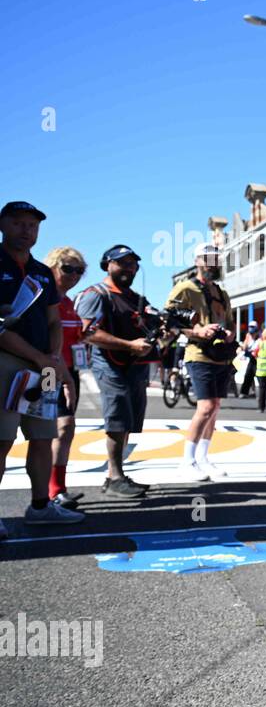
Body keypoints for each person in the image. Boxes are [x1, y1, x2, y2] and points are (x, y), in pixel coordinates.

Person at [0, 202, 84, 534]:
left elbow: (53, 321)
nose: (26, 230)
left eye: (32, 225)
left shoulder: (41, 273)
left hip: (42, 364)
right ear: (3, 225)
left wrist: (53, 359)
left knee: (42, 436)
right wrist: (42, 358)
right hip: (7, 362)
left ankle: (40, 506)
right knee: (2, 439)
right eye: (18, 223)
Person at [76, 245, 163, 498]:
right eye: (121, 263)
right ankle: (115, 477)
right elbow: (87, 332)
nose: (128, 268)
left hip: (135, 367)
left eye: (132, 264)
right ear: (107, 265)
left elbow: (151, 328)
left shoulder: (136, 298)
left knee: (127, 422)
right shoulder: (97, 294)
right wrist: (129, 345)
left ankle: (116, 475)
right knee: (117, 419)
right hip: (110, 364)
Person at [167, 243, 236, 483]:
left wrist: (229, 333)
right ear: (198, 261)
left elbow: (230, 321)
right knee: (205, 407)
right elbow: (169, 319)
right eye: (208, 259)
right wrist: (197, 330)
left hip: (221, 355)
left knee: (215, 407)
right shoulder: (186, 288)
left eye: (217, 259)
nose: (214, 263)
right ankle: (187, 460)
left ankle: (204, 457)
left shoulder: (221, 292)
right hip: (198, 354)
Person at [45, 246, 89, 509]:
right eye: (68, 268)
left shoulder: (69, 302)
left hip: (69, 370)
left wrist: (82, 335)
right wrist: (64, 380)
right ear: (52, 267)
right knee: (55, 429)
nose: (73, 275)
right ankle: (50, 491)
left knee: (65, 428)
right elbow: (49, 343)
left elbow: (69, 340)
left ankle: (57, 488)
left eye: (79, 271)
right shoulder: (46, 300)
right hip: (51, 372)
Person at [238, 321, 260, 398]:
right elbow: (245, 346)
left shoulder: (260, 336)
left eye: (252, 327)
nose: (251, 329)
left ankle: (262, 393)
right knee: (248, 375)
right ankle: (244, 392)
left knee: (259, 376)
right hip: (251, 357)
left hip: (258, 358)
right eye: (250, 327)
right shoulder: (248, 335)